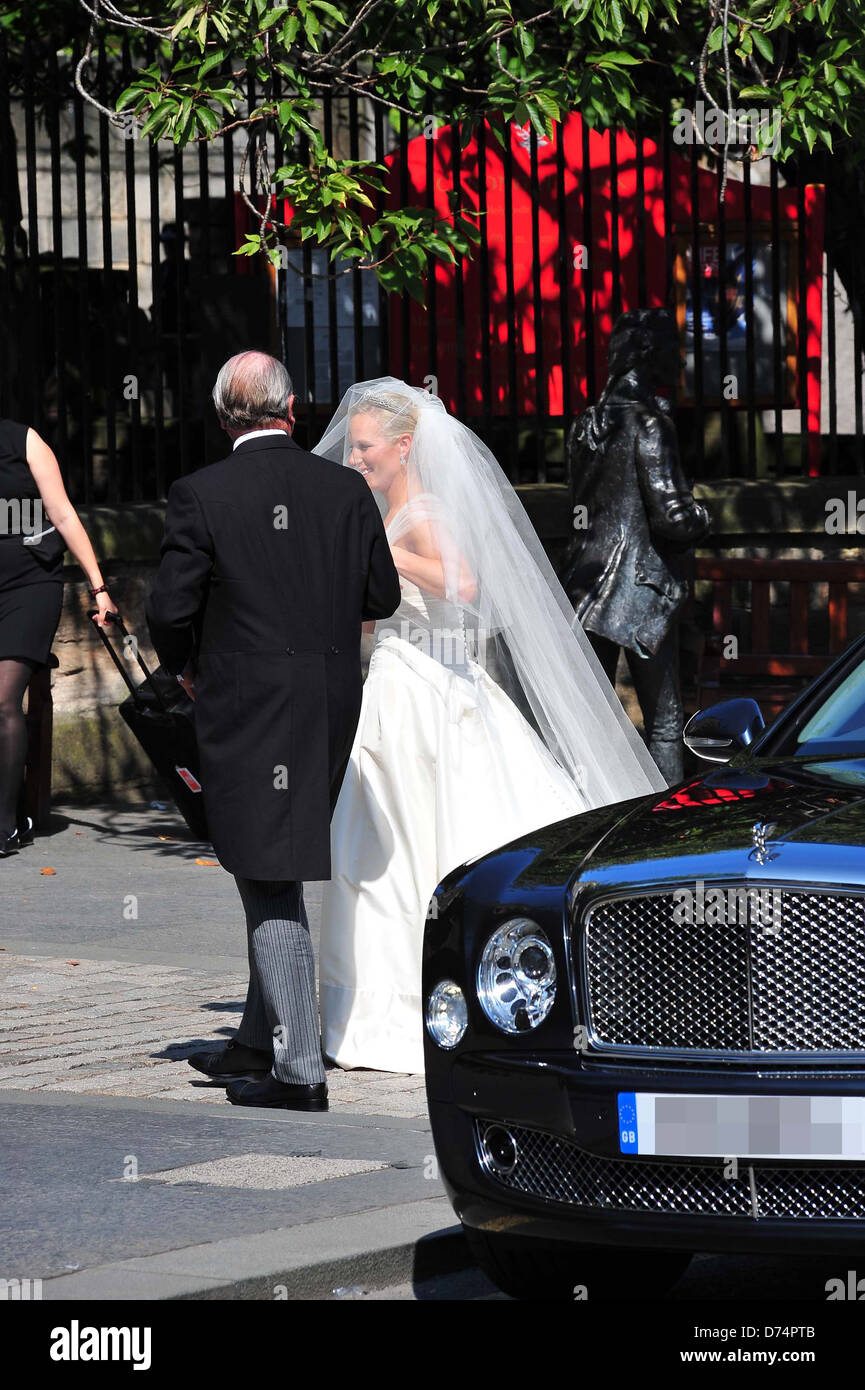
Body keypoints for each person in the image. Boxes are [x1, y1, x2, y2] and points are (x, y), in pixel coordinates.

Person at [313, 378, 668, 1076]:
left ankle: (423, 1000)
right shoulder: (390, 506)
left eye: (364, 447)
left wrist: (376, 554)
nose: (352, 458)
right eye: (351, 446)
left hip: (425, 686)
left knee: (420, 832)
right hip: (399, 677)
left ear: (404, 446)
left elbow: (464, 584)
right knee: (382, 841)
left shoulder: (420, 508)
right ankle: (378, 1001)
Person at [145, 352, 400, 1111]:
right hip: (326, 694)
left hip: (248, 701)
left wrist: (186, 665)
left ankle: (297, 1071)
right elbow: (380, 594)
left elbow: (168, 609)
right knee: (273, 861)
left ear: (226, 416)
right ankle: (254, 1040)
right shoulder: (344, 487)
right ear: (292, 409)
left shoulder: (202, 492)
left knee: (264, 872)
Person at [560, 307, 712, 784]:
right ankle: (663, 820)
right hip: (640, 589)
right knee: (665, 723)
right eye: (675, 351)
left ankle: (588, 810)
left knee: (589, 719)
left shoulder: (586, 424)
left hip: (587, 585)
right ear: (649, 355)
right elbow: (673, 517)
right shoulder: (648, 424)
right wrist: (705, 515)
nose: (682, 362)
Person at [0, 419, 117, 857]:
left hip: (29, 584)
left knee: (3, 699)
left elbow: (62, 513)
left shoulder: (22, 440)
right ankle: (13, 813)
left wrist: (99, 588)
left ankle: (5, 825)